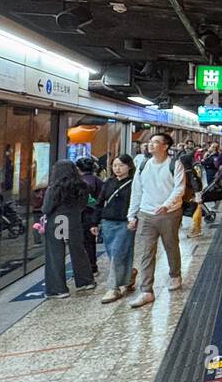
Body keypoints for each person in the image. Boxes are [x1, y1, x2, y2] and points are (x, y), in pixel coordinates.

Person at [126, 132, 186, 308]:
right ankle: (146, 291)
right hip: (146, 213)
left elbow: (179, 188)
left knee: (171, 245)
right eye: (149, 142)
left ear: (165, 146)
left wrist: (167, 205)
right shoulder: (143, 165)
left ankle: (175, 275)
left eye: (155, 142)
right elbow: (136, 190)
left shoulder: (175, 164)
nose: (150, 145)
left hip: (170, 213)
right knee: (146, 252)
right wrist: (132, 214)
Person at [41, 160, 95, 298]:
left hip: (58, 221)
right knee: (78, 250)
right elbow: (83, 206)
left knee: (56, 254)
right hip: (74, 220)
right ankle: (85, 281)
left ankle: (58, 289)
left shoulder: (54, 188)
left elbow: (46, 208)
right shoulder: (83, 186)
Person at [93, 154, 136, 303]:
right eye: (115, 165)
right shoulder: (109, 182)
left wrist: (134, 218)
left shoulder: (134, 183)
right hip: (108, 223)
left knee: (117, 253)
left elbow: (137, 203)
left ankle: (113, 288)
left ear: (129, 166)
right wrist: (95, 223)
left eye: (121, 165)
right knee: (113, 255)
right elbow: (99, 203)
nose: (117, 168)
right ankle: (129, 273)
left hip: (125, 223)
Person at [75, 155, 102, 277]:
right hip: (94, 215)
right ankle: (93, 266)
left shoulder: (79, 183)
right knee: (90, 242)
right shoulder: (98, 181)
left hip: (82, 215)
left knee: (83, 243)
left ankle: (88, 268)